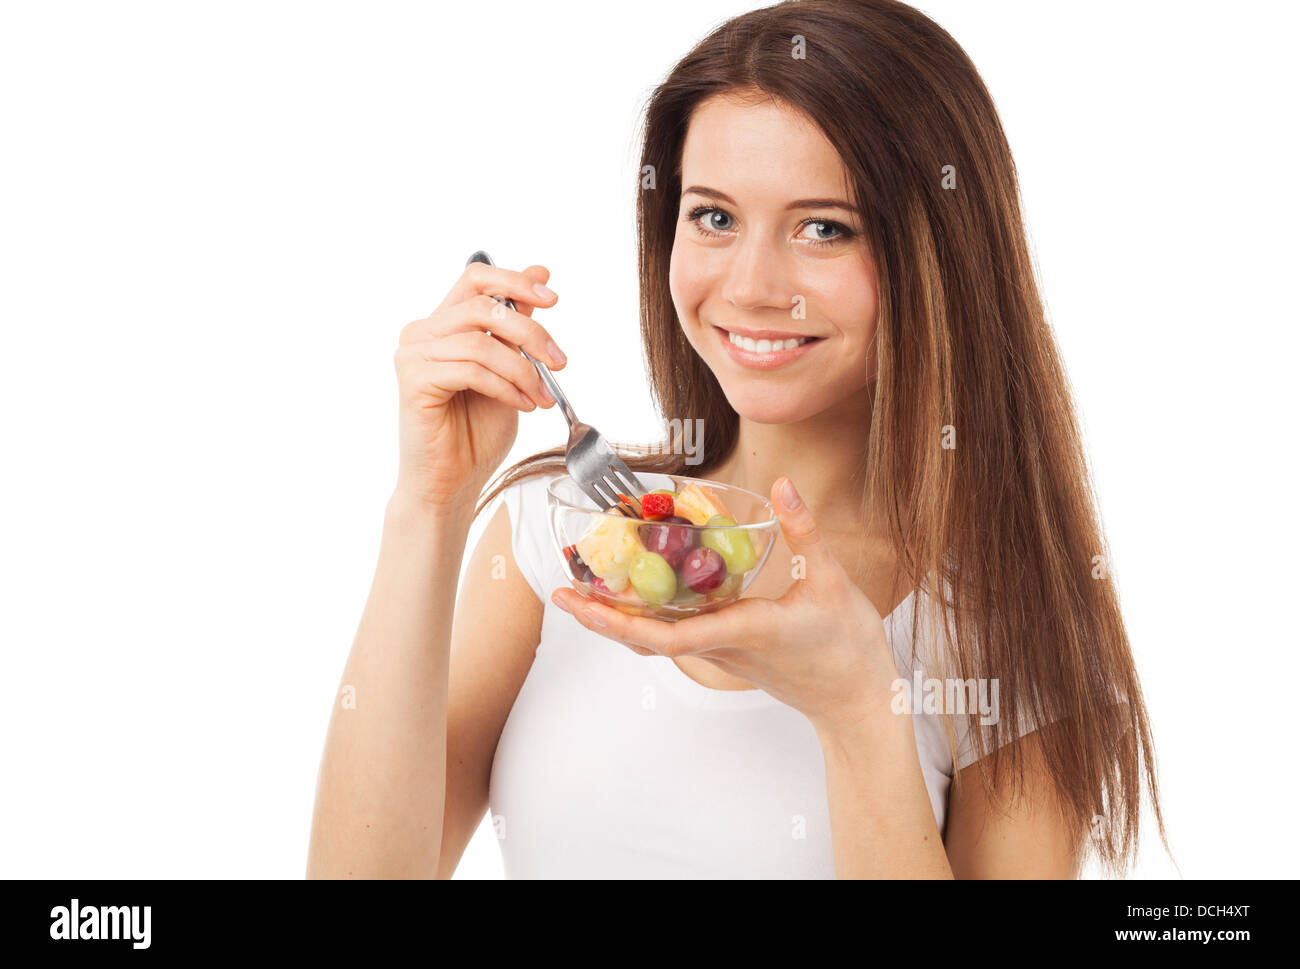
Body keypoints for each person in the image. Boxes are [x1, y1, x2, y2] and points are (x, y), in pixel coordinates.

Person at [307, 0, 1168, 879]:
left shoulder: (1001, 632)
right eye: (714, 216)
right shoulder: (554, 535)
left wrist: (860, 712)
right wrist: (430, 504)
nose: (754, 286)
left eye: (824, 227)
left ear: (939, 252)